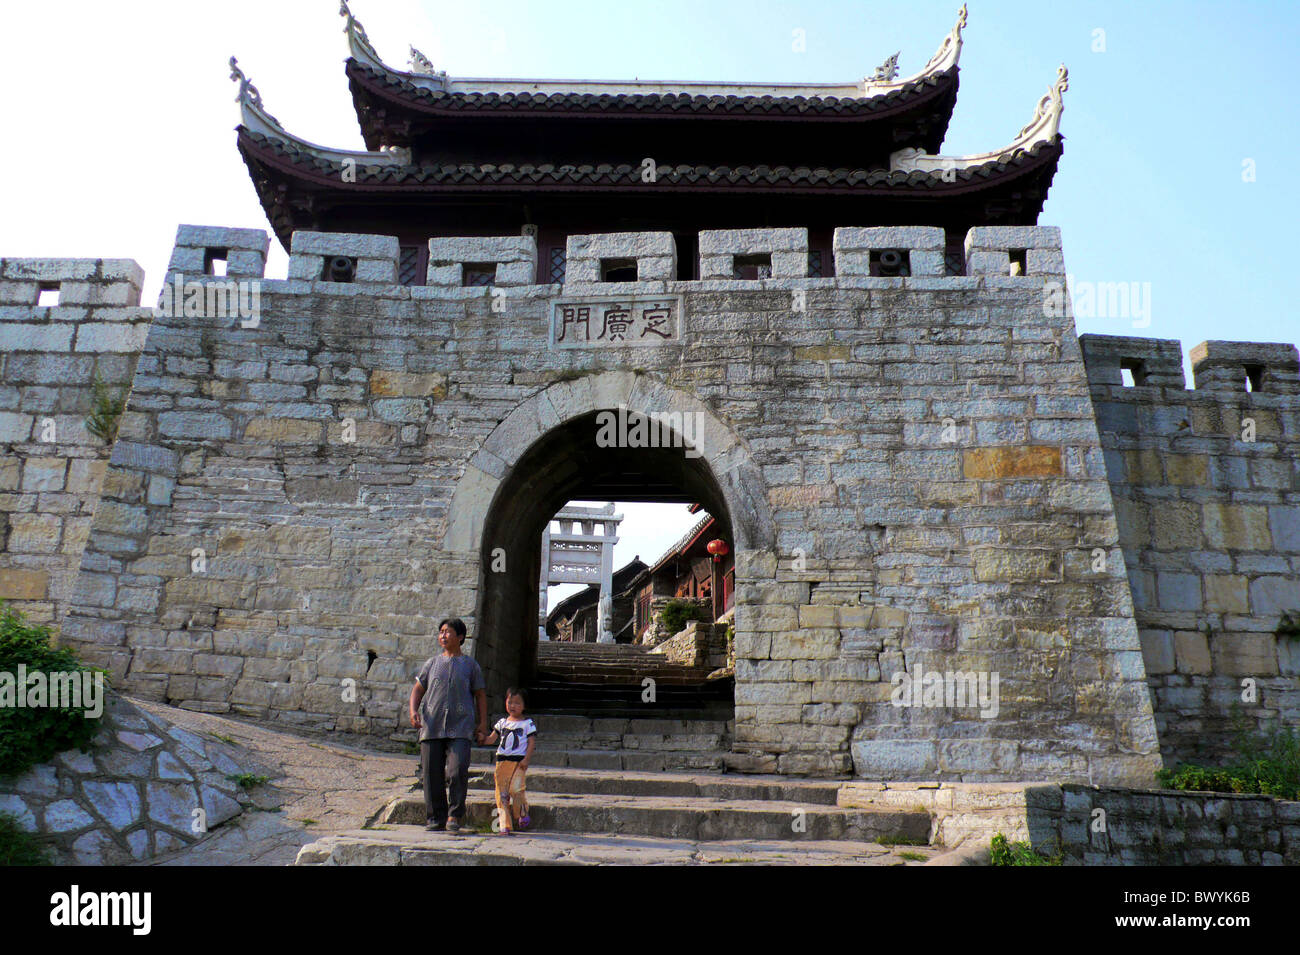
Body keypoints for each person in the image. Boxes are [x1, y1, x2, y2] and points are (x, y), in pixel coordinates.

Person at [408, 618, 486, 832]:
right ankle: (435, 818)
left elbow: (480, 695)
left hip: (461, 726)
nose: (442, 636)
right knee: (431, 773)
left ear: (460, 637)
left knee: (457, 769)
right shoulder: (432, 664)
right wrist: (413, 711)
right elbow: (418, 689)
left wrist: (482, 724)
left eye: (448, 632)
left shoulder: (471, 665)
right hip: (432, 726)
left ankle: (454, 816)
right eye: (441, 632)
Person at [482, 687, 536, 835]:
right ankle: (504, 824)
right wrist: (481, 738)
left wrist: (526, 759)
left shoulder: (527, 724)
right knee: (502, 794)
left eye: (517, 703)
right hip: (502, 762)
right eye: (510, 702)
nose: (513, 706)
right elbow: (492, 738)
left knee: (516, 789)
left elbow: (531, 743)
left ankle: (522, 812)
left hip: (519, 763)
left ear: (524, 706)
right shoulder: (502, 723)